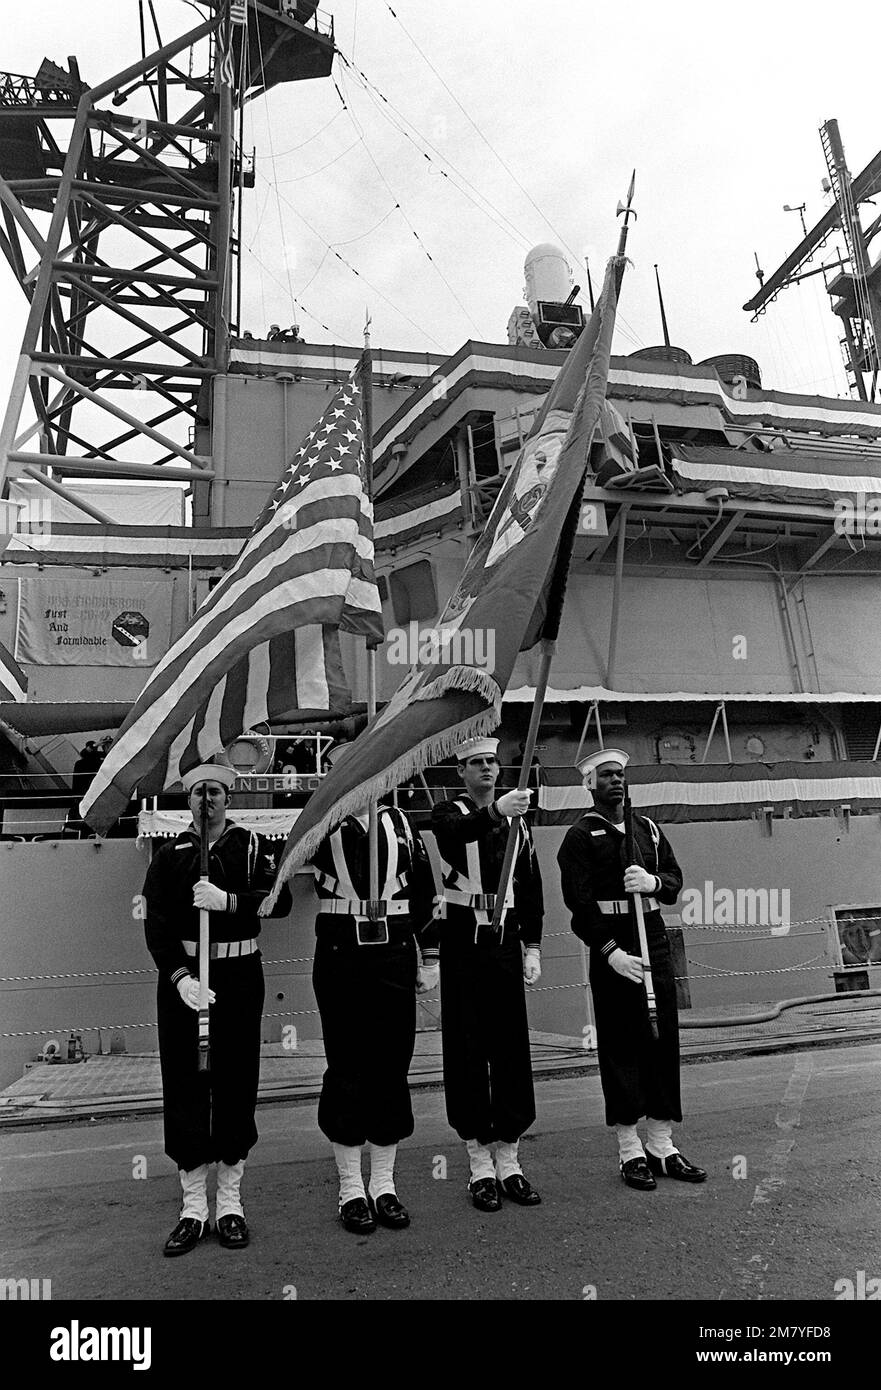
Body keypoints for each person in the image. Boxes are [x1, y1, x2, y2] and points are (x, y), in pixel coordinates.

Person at [142, 759, 292, 1256]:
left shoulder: (253, 846)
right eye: (198, 791)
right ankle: (192, 1208)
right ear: (189, 800)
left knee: (234, 1080)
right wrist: (181, 978)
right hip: (187, 977)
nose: (207, 799)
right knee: (186, 1084)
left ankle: (229, 1203)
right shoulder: (169, 855)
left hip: (238, 975)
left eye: (216, 791)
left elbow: (280, 900)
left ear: (229, 798)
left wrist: (228, 902)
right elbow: (156, 925)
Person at [557, 749, 706, 1191]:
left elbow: (675, 880)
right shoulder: (581, 836)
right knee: (621, 1046)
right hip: (615, 944)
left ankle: (662, 1144)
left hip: (652, 937)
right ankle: (629, 1150)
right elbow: (579, 907)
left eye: (620, 774)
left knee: (661, 1040)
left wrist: (655, 883)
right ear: (590, 784)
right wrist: (610, 952)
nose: (616, 782)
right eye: (606, 776)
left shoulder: (649, 831)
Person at [308, 743, 438, 1234]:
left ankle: (383, 1184)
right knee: (346, 1067)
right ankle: (350, 1188)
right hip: (342, 951)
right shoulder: (321, 820)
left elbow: (426, 894)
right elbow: (286, 864)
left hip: (393, 950)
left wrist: (431, 957)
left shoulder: (402, 824)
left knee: (390, 1064)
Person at [430, 736, 544, 1212]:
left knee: (511, 1047)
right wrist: (498, 812)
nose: (487, 769)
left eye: (493, 763)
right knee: (467, 1048)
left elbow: (530, 885)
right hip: (463, 941)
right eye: (477, 763)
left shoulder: (518, 821)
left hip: (504, 942)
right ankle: (479, 1163)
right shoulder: (446, 812)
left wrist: (532, 944)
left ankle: (511, 1160)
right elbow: (458, 834)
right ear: (462, 772)